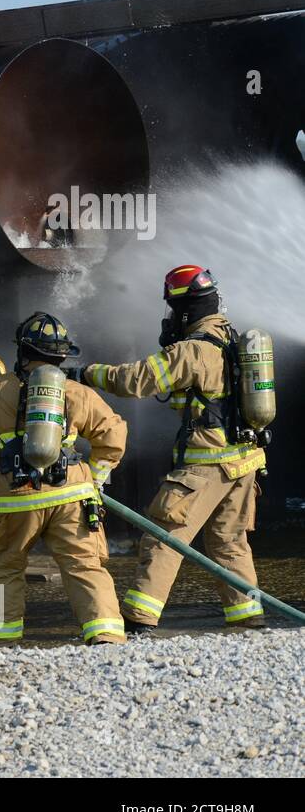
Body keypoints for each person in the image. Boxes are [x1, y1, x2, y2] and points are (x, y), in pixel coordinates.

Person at [69, 266, 266, 632]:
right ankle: (247, 618)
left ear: (187, 311)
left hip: (207, 464)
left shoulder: (192, 351)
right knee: (229, 542)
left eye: (174, 311)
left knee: (163, 537)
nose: (171, 319)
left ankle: (139, 619)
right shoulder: (232, 340)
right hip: (245, 462)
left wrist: (85, 373)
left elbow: (135, 380)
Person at [0, 312, 128, 645]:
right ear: (62, 356)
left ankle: (2, 641)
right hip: (71, 495)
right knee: (85, 566)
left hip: (18, 495)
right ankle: (106, 636)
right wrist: (97, 479)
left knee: (5, 565)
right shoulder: (76, 393)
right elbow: (113, 433)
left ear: (23, 352)